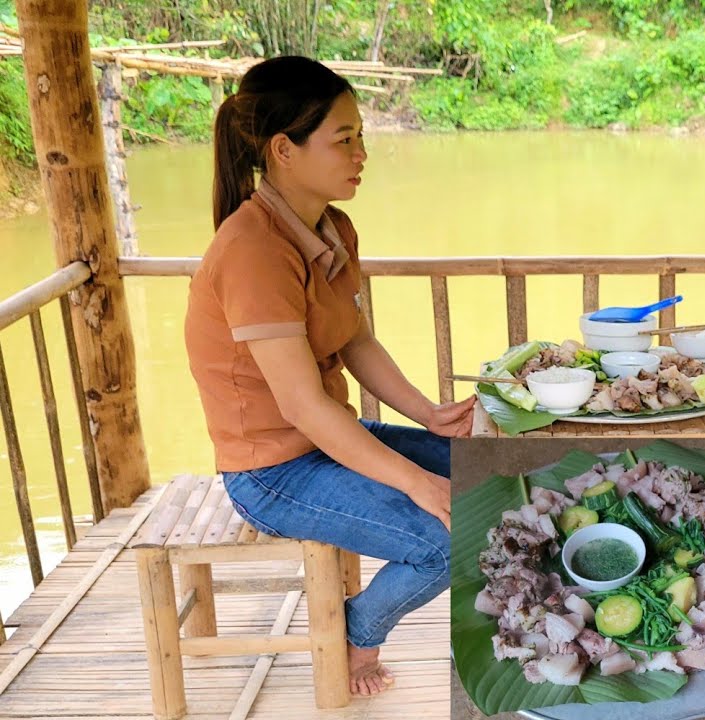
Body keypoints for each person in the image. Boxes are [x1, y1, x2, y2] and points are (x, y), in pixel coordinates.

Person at [184, 56, 475, 698]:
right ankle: (357, 630)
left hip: (328, 438)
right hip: (272, 471)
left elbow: (356, 339)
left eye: (360, 136)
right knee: (444, 540)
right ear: (283, 150)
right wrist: (419, 483)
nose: (361, 153)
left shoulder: (331, 227)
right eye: (344, 139)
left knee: (485, 475)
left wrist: (427, 414)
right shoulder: (253, 252)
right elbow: (302, 408)